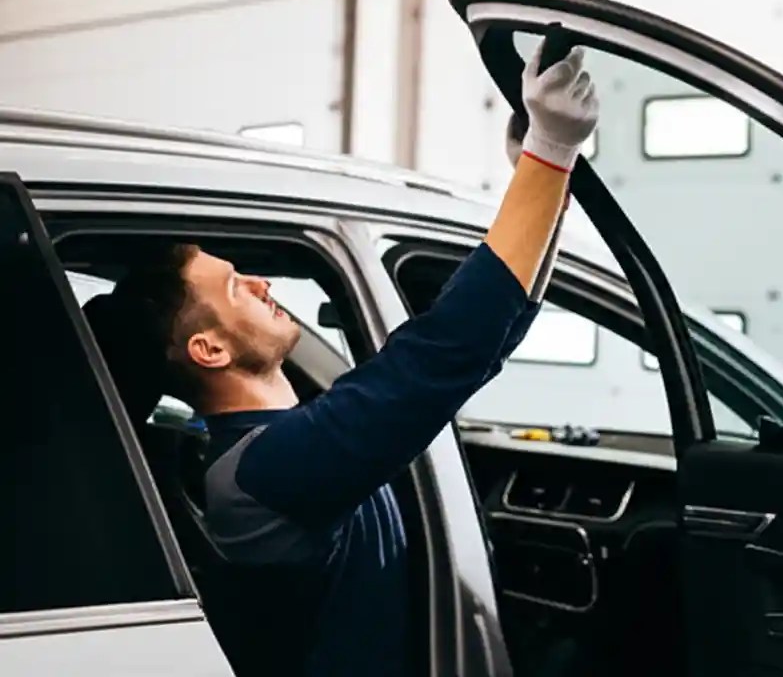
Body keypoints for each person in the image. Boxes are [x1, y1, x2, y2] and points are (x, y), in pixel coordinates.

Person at [104, 39, 598, 676]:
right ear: (209, 348)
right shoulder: (262, 471)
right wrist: (548, 156)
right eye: (235, 287)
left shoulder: (272, 446)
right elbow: (442, 355)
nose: (262, 284)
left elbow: (490, 338)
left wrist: (545, 172)